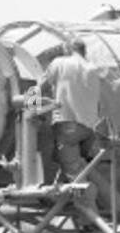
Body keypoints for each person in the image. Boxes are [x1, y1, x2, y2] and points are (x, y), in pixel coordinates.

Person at [40, 37, 112, 219]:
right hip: (89, 129)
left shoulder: (60, 63)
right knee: (82, 169)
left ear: (67, 49)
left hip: (68, 126)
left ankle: (90, 219)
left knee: (76, 176)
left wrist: (31, 105)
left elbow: (40, 84)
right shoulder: (93, 68)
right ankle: (82, 209)